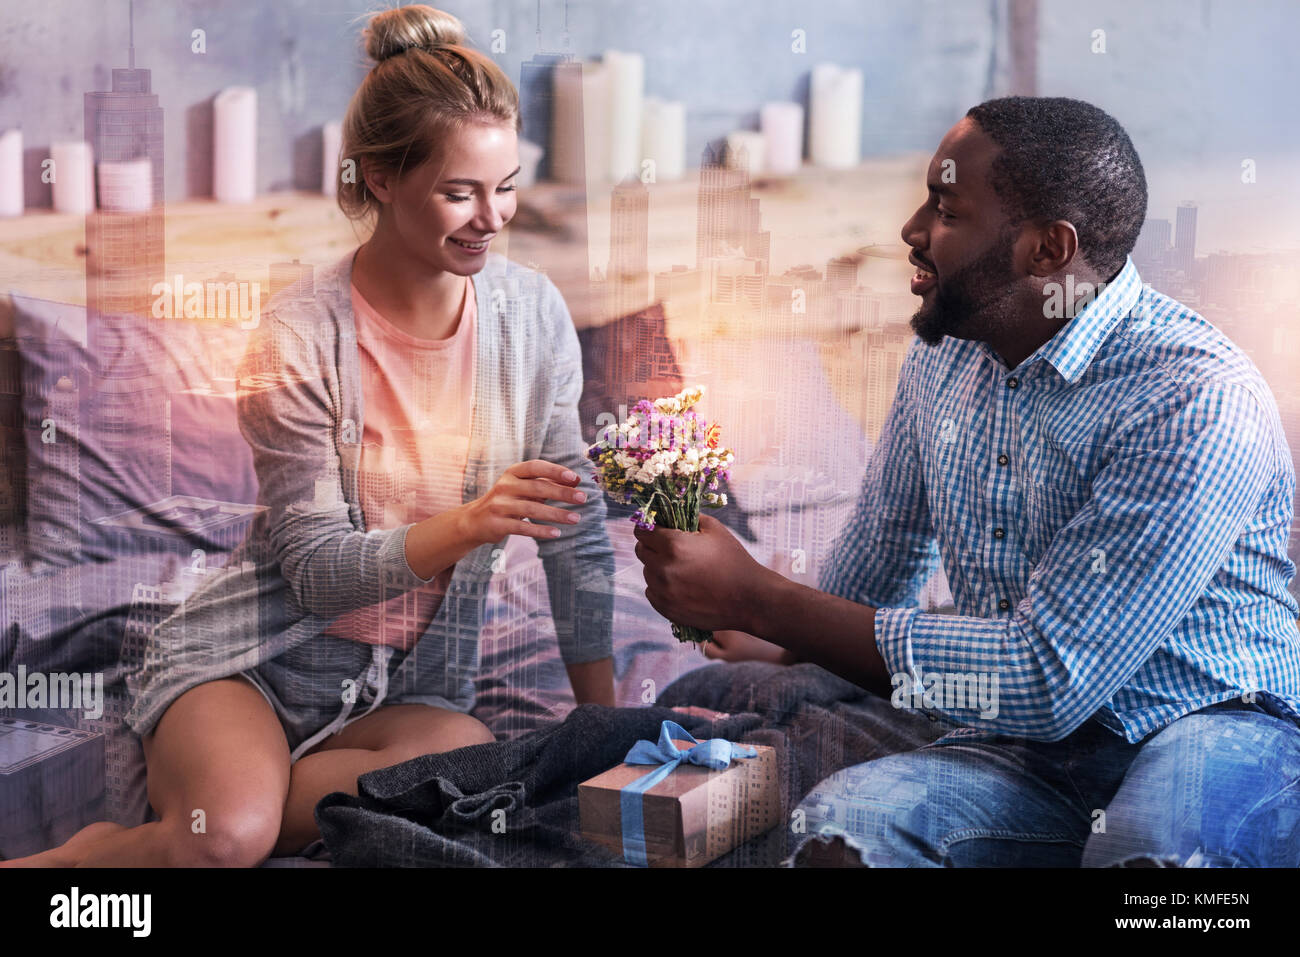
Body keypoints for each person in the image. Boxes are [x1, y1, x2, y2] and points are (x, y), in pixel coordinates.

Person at [2, 4, 614, 868]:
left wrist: (604, 725)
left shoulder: (534, 317)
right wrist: (470, 522)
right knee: (226, 841)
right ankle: (95, 852)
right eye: (461, 192)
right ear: (380, 179)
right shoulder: (297, 333)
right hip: (257, 662)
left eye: (506, 185)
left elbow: (577, 534)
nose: (493, 216)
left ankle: (247, 786)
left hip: (409, 690)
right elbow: (318, 570)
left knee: (471, 760)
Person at [635, 96, 1300, 867]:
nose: (912, 230)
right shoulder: (945, 356)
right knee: (839, 829)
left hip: (1210, 720)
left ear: (1047, 250)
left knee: (1148, 850)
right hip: (1030, 749)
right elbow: (881, 554)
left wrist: (758, 596)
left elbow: (1047, 675)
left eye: (946, 210)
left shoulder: (1194, 397)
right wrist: (778, 640)